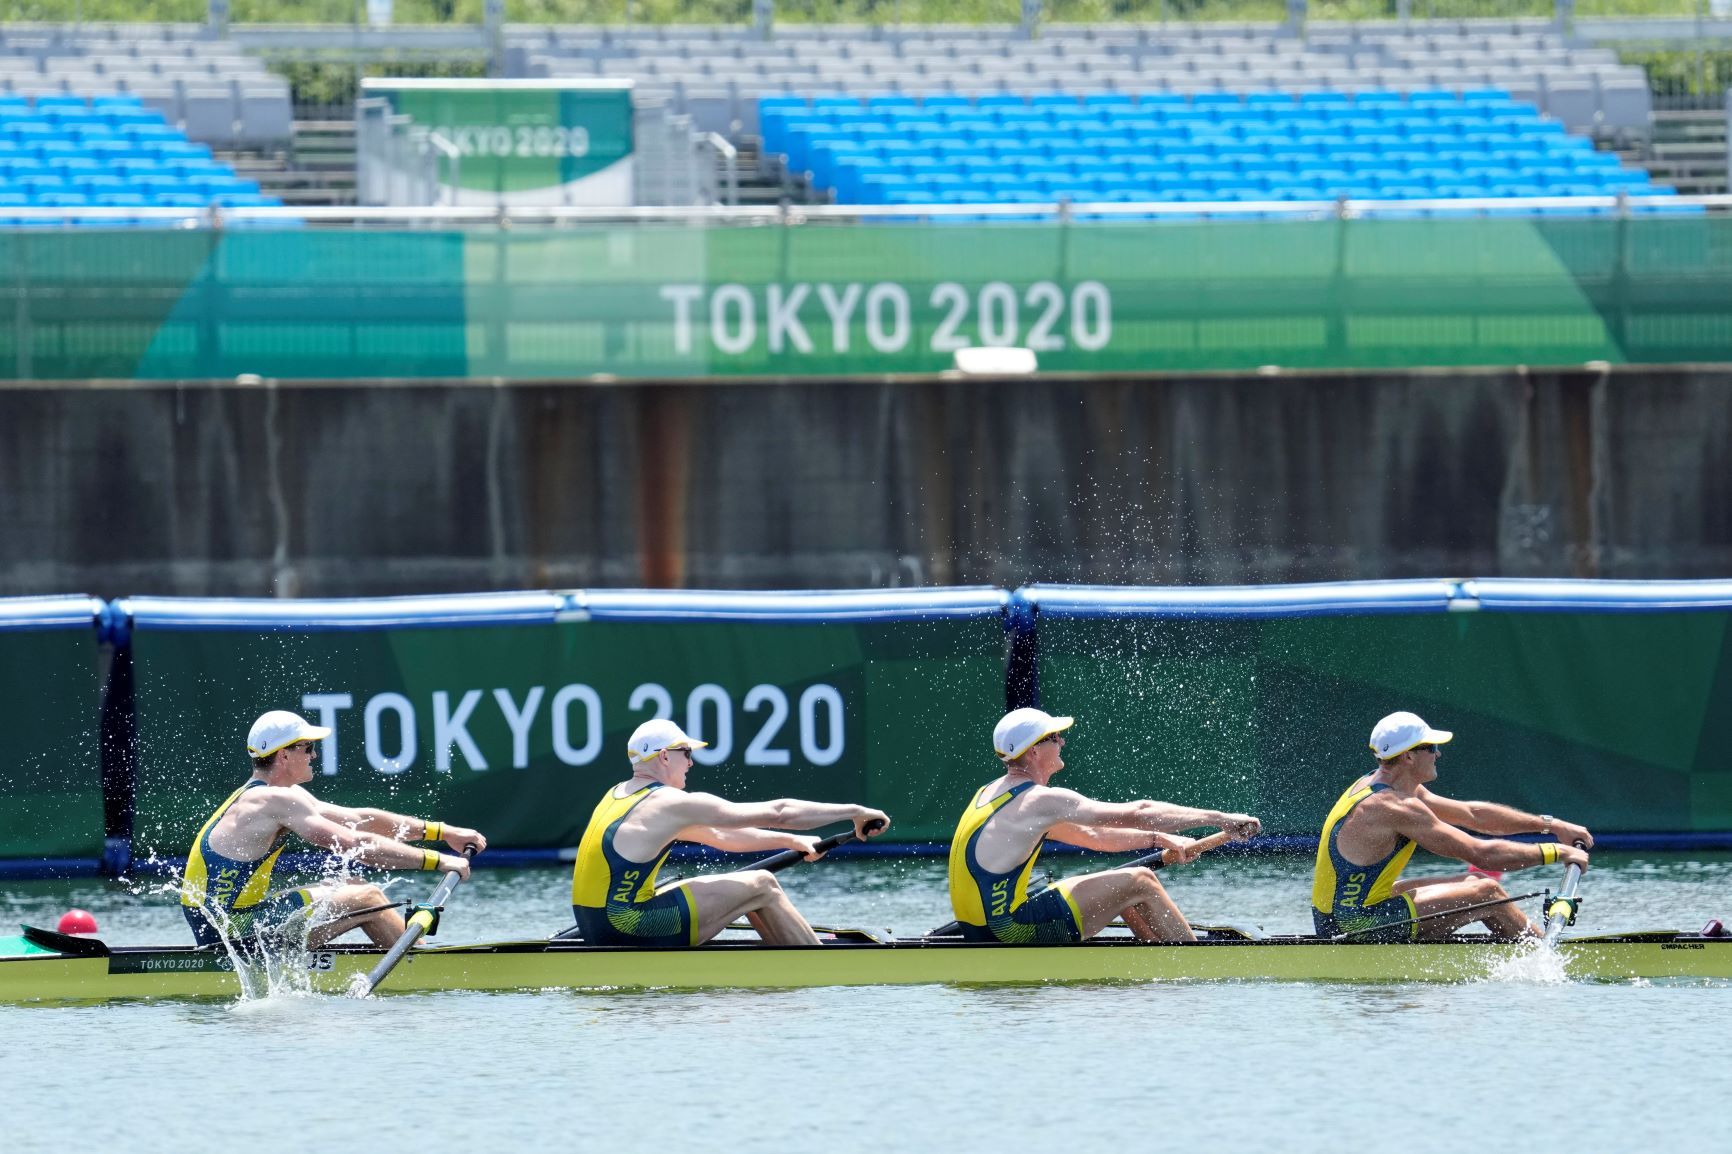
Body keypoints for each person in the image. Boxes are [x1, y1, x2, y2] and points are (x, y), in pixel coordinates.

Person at [947, 707, 1262, 945]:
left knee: (1117, 884)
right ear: (1034, 750)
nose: (1062, 741)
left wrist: (1160, 839)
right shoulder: (1040, 800)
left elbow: (1092, 835)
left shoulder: (990, 793)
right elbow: (1139, 812)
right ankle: (1196, 967)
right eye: (1055, 737)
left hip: (979, 930)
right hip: (1009, 931)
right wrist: (1220, 819)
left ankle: (1157, 959)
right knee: (1141, 880)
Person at [180, 710, 488, 949]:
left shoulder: (272, 794)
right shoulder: (270, 801)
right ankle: (420, 969)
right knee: (368, 897)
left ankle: (411, 954)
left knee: (354, 885)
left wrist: (443, 832)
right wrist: (439, 861)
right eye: (308, 747)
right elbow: (354, 843)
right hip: (231, 932)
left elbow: (358, 819)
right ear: (284, 754)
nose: (314, 755)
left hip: (228, 921)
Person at [571, 718, 891, 947]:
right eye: (686, 753)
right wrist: (855, 811)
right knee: (763, 884)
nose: (691, 763)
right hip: (626, 926)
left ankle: (786, 949)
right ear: (665, 756)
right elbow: (780, 813)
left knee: (730, 885)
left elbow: (721, 837)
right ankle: (819, 967)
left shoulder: (618, 794)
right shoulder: (670, 802)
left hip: (595, 926)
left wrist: (792, 841)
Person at [1311, 711, 1593, 942]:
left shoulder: (1385, 785)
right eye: (1432, 748)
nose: (1438, 755)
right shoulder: (1392, 806)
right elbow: (1482, 854)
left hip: (1345, 914)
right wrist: (1558, 852)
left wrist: (1552, 825)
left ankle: (1526, 949)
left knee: (1475, 883)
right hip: (1353, 925)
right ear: (1408, 756)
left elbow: (1473, 815)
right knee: (1488, 894)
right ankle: (1547, 960)